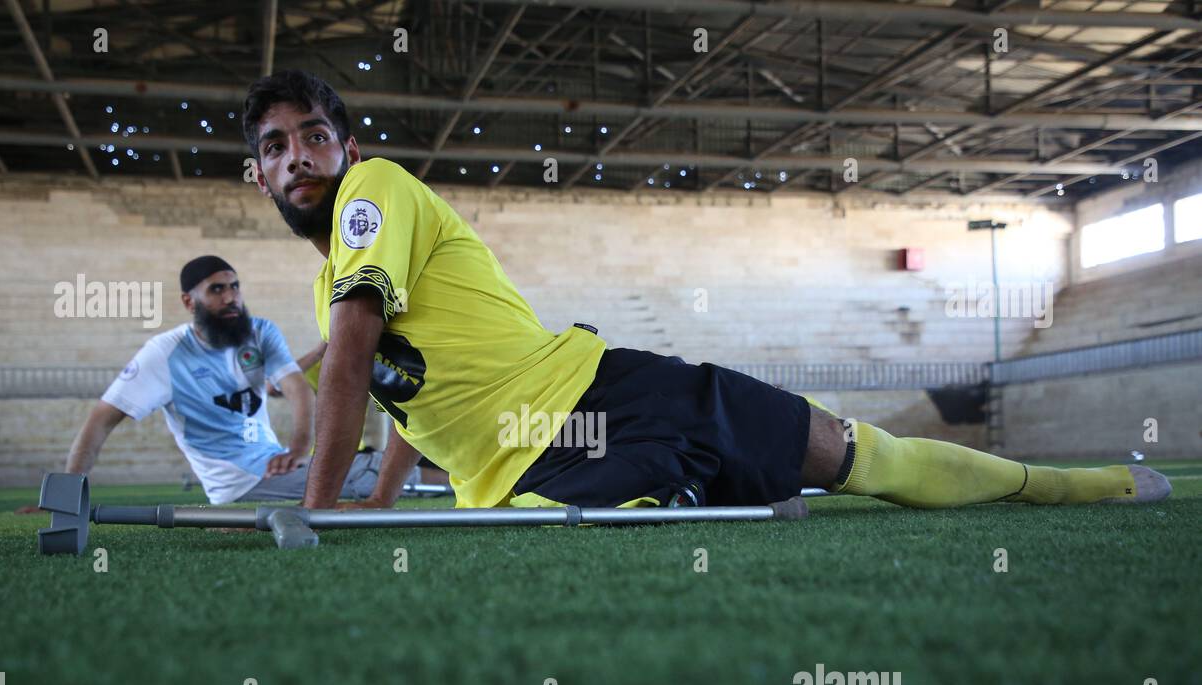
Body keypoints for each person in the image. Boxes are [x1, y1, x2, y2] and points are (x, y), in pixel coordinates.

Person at [240, 69, 1171, 515]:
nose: (299, 157)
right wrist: (378, 499)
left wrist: (322, 508)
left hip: (599, 395)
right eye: (276, 148)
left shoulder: (374, 192)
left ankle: (1072, 485)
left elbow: (350, 364)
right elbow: (404, 391)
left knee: (850, 455)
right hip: (523, 475)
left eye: (315, 135)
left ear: (349, 148)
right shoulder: (332, 281)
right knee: (579, 521)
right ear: (258, 176)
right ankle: (676, 492)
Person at [56, 255, 391, 504]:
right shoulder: (164, 354)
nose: (231, 298)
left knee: (367, 464)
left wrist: (300, 447)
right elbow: (100, 420)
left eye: (234, 287)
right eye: (216, 290)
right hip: (241, 483)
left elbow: (296, 387)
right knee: (373, 470)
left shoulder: (260, 332)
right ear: (189, 301)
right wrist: (66, 498)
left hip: (277, 463)